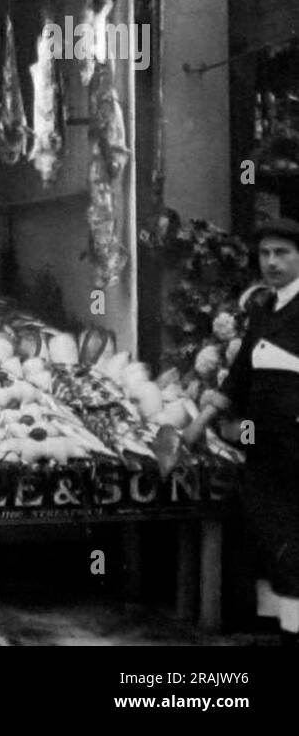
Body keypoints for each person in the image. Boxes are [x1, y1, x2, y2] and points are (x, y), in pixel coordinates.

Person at [184, 216, 299, 644]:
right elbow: (240, 378)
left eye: (282, 253)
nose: (271, 262)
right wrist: (200, 422)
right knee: (273, 540)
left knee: (294, 544)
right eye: (265, 253)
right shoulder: (264, 310)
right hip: (265, 449)